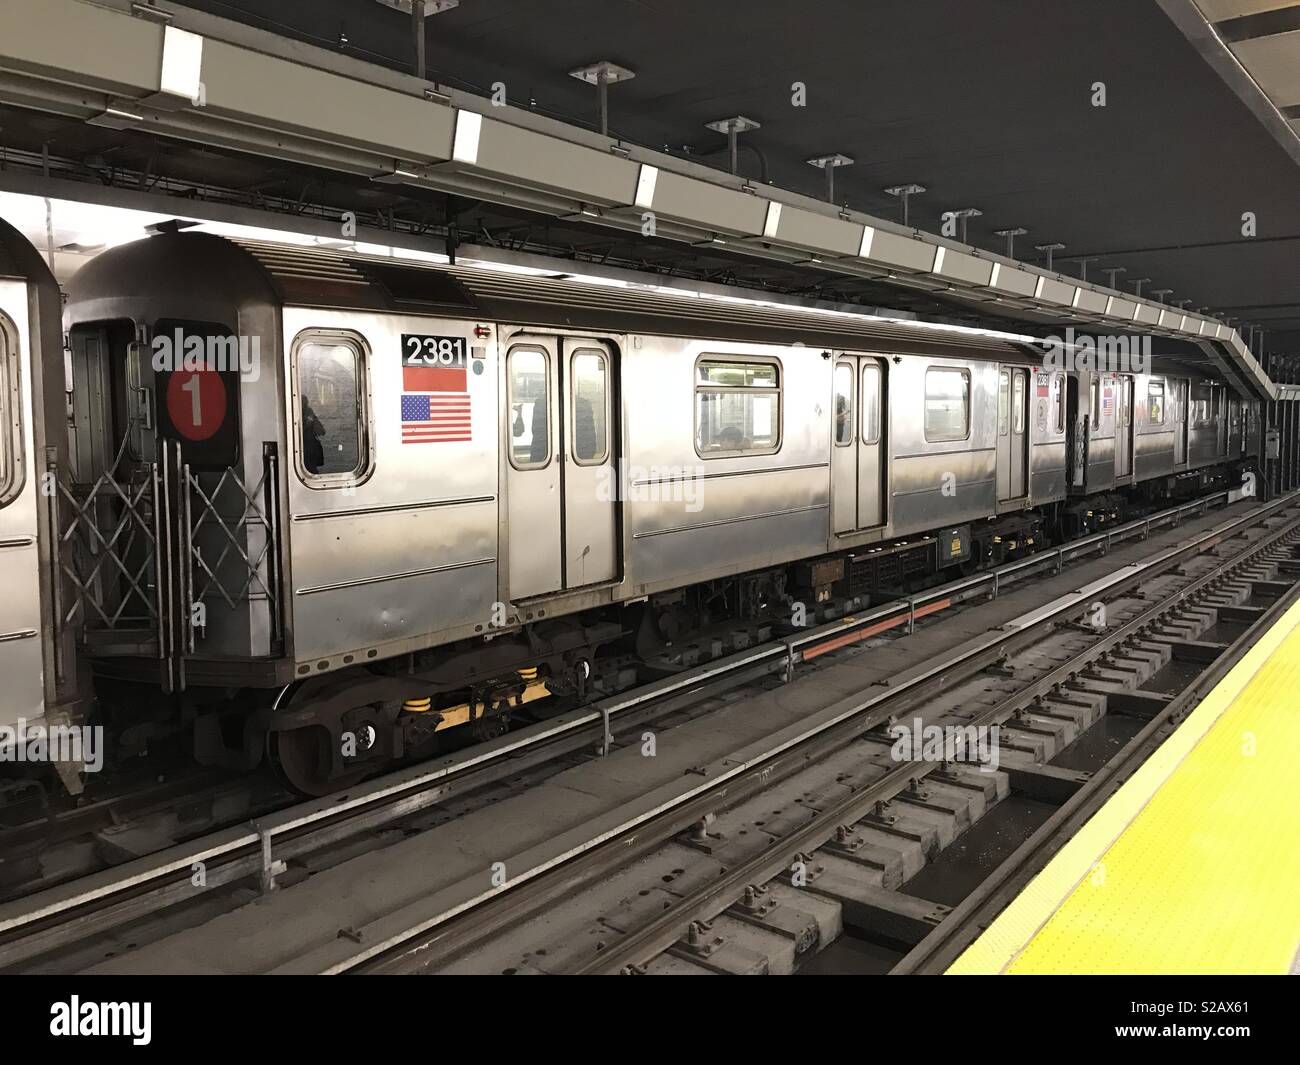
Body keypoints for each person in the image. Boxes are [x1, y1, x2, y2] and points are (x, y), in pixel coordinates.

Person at [302, 396, 325, 473]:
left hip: (310, 450)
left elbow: (321, 432)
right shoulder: (295, 416)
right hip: (303, 449)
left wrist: (311, 421)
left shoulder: (310, 414)